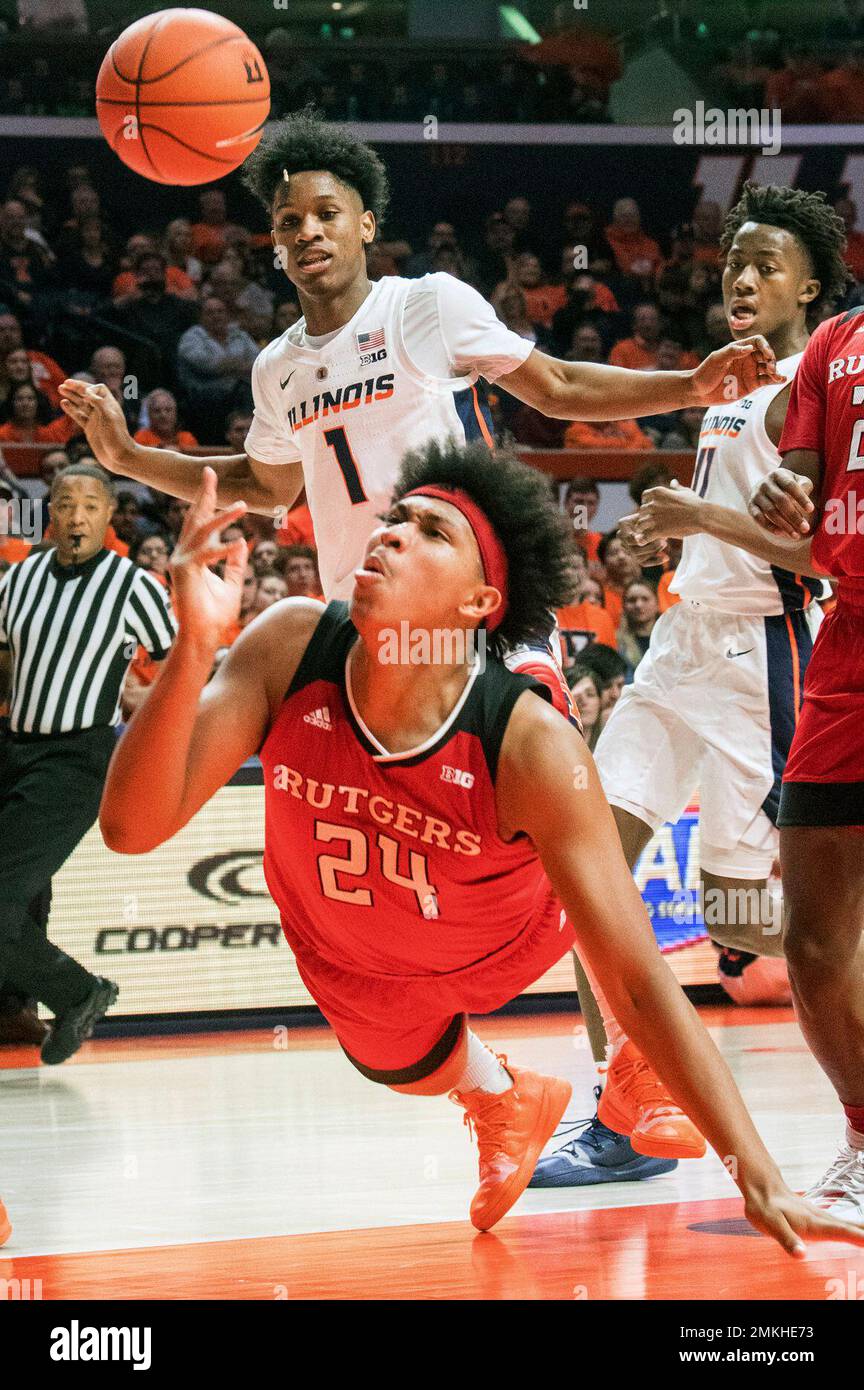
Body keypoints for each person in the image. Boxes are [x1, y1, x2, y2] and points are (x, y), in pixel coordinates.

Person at [58, 110, 782, 1176]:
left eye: (326, 214)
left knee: (561, 838)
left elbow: (554, 386)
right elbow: (262, 486)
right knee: (368, 908)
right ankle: (498, 1093)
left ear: (365, 227)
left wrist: (687, 385)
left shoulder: (423, 308)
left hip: (482, 612)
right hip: (371, 640)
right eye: (288, 219)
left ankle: (628, 1069)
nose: (306, 231)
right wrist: (129, 456)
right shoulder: (277, 369)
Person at [95, 442, 864, 1256]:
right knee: (392, 1064)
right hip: (351, 952)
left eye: (428, 530)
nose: (388, 533)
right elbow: (130, 829)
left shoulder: (530, 745)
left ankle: (628, 1066)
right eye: (392, 519)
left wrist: (757, 1172)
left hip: (510, 926)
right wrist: (190, 648)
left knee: (541, 744)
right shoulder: (288, 643)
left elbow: (640, 974)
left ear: (479, 600)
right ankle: (501, 1098)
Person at [532, 184, 850, 1191]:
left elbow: (820, 552)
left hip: (764, 657)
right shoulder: (729, 385)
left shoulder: (824, 379)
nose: (741, 279)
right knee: (586, 877)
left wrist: (701, 524)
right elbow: (720, 516)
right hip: (678, 646)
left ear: (812, 282)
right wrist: (682, 527)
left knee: (772, 930)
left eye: (764, 264)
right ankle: (625, 1108)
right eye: (729, 268)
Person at [0, 462, 176, 1064]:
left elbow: (186, 663)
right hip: (12, 744)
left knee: (3, 893)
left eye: (90, 505)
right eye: (65, 503)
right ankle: (13, 1009)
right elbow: (6, 658)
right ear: (49, 511)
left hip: (78, 756)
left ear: (109, 516)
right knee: (23, 894)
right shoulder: (18, 579)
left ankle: (79, 993)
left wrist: (152, 722)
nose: (76, 516)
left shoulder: (135, 586)